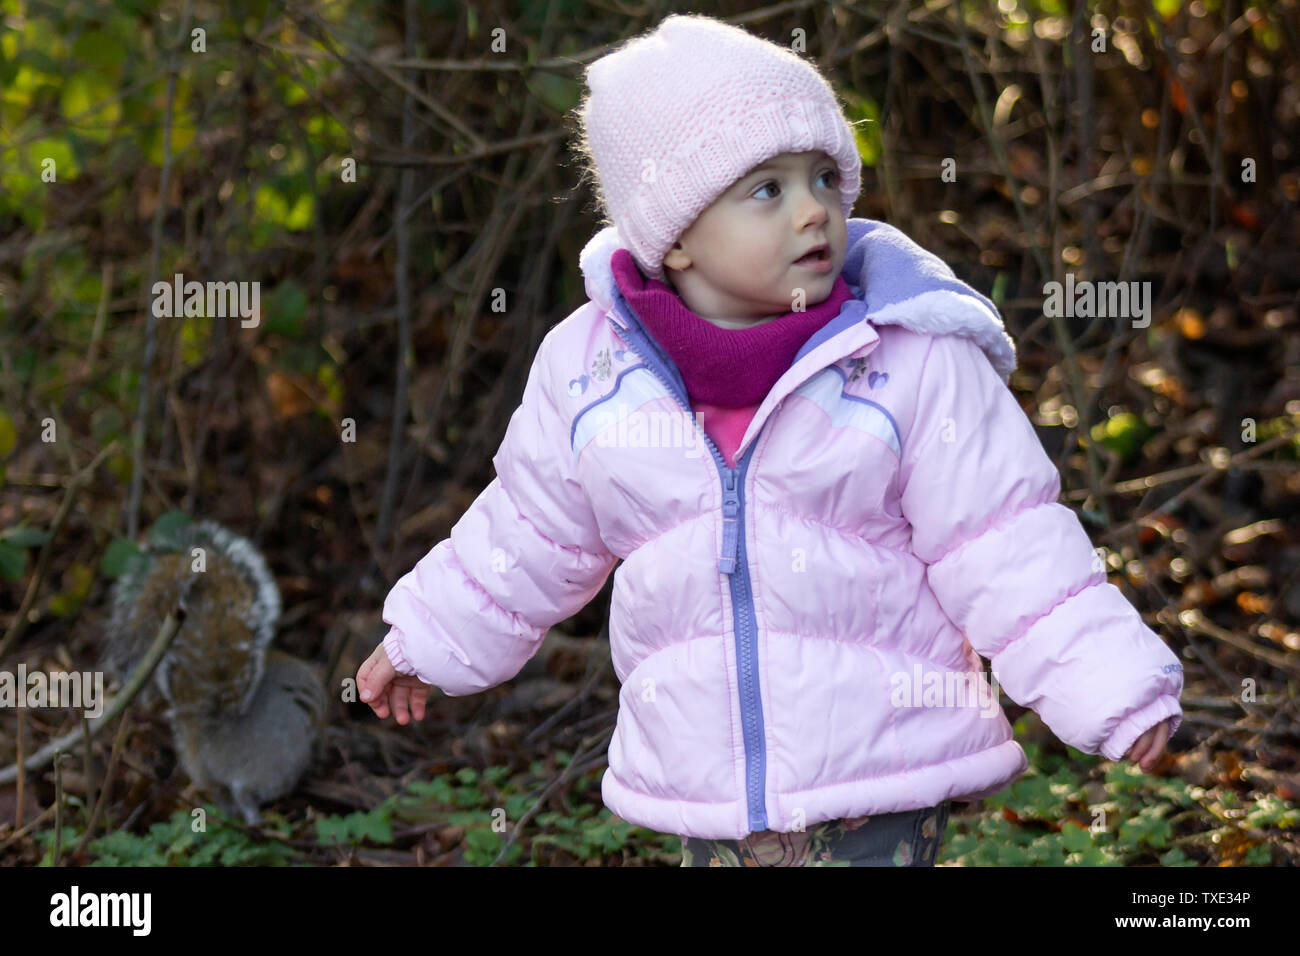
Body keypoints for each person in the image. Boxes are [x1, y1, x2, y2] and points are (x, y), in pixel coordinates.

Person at [356, 13, 1182, 867]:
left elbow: (1005, 541)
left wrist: (1109, 689)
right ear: (672, 235)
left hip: (881, 774)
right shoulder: (591, 372)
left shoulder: (906, 359)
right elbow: (528, 530)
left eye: (824, 176)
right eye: (767, 189)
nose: (813, 211)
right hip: (706, 790)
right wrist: (429, 638)